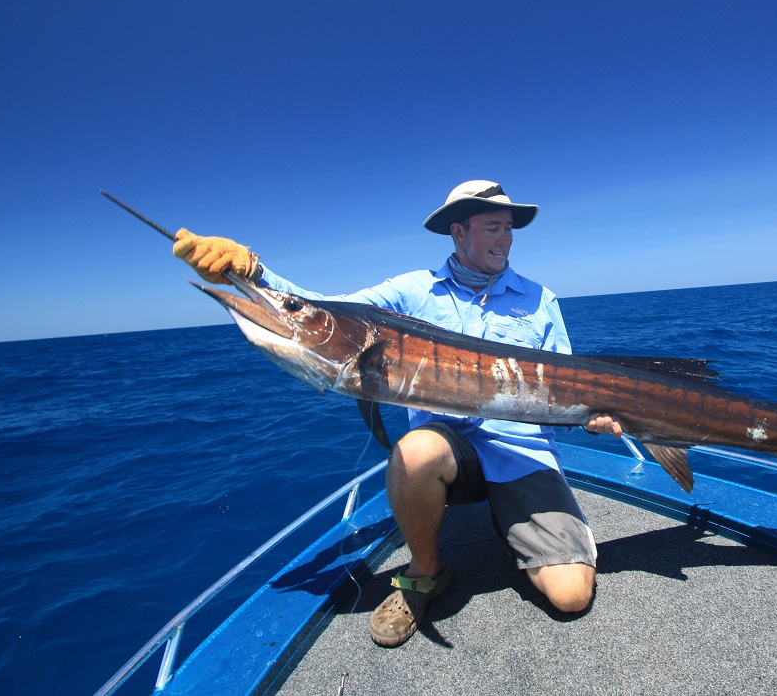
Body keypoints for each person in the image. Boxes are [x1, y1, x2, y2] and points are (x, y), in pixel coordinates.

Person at [172, 180, 622, 648]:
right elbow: (326, 313)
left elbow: (569, 390)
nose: (505, 239)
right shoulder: (411, 291)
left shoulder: (540, 300)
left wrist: (594, 419)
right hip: (449, 450)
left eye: (508, 228)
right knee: (415, 450)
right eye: (492, 228)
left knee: (571, 596)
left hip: (521, 454)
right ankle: (425, 571)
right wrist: (254, 272)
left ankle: (516, 523)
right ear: (459, 232)